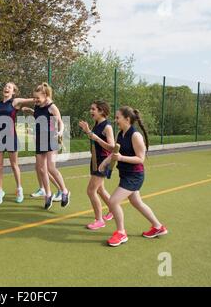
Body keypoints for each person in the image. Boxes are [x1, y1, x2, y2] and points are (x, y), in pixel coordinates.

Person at [99, 106, 168, 247]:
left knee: (113, 201)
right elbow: (115, 152)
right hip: (126, 174)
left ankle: (121, 233)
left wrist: (121, 158)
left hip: (135, 176)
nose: (116, 120)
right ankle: (158, 227)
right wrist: (105, 162)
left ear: (127, 119)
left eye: (118, 117)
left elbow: (140, 158)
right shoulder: (120, 133)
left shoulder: (135, 135)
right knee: (137, 202)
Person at [0, 82, 35, 205]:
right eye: (5, 86)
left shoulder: (15, 101)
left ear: (13, 92)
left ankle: (19, 189)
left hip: (11, 137)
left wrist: (42, 98)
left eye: (9, 87)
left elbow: (31, 100)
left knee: (14, 165)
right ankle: (0, 191)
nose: (6, 88)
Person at [32, 83, 70, 210]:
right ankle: (48, 194)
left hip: (51, 139)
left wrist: (60, 132)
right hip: (39, 140)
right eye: (35, 98)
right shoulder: (37, 106)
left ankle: (64, 191)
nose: (36, 100)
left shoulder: (52, 107)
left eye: (38, 97)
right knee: (41, 169)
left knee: (50, 167)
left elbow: (60, 122)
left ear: (46, 95)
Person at [78, 101, 114, 230]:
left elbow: (112, 147)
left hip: (103, 161)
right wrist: (88, 131)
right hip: (95, 160)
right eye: (90, 109)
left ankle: (99, 220)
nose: (91, 111)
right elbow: (93, 138)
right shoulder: (97, 124)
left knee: (91, 190)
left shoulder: (107, 127)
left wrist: (96, 138)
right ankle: (113, 210)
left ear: (101, 111)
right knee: (100, 190)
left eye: (93, 109)